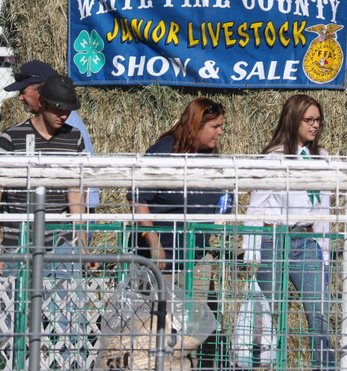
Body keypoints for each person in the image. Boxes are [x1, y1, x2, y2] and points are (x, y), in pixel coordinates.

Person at [0, 73, 93, 365]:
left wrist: (82, 242)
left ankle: (69, 363)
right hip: (16, 241)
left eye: (69, 109)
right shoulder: (11, 139)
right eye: (58, 108)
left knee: (69, 317)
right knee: (14, 318)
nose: (64, 115)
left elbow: (77, 194)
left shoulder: (74, 139)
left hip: (60, 241)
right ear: (43, 103)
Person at [128, 97, 232, 370]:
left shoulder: (212, 157)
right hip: (161, 261)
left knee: (192, 332)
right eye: (215, 126)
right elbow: (138, 199)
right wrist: (153, 243)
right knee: (156, 329)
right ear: (197, 125)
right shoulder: (163, 152)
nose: (220, 132)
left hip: (195, 259)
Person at [244, 94, 335, 371]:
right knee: (268, 314)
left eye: (318, 120)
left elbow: (324, 210)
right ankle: (262, 365)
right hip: (274, 240)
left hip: (306, 241)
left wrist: (325, 254)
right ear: (293, 119)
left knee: (319, 313)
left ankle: (325, 366)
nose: (315, 125)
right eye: (308, 119)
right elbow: (256, 208)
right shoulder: (274, 158)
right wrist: (251, 253)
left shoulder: (323, 158)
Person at [3, 60, 99, 209]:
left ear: (42, 90)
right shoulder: (20, 131)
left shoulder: (67, 126)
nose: (20, 98)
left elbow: (80, 187)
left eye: (23, 92)